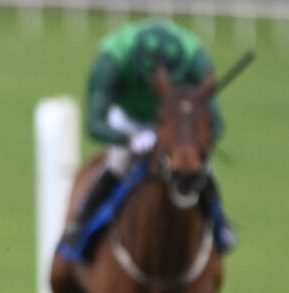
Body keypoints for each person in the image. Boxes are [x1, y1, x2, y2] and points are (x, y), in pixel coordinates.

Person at [59, 18, 237, 258]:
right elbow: (94, 125)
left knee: (200, 169)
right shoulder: (111, 58)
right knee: (117, 163)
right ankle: (80, 225)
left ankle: (220, 226)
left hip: (179, 123)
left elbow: (216, 123)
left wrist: (195, 145)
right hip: (128, 119)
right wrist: (129, 140)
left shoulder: (195, 56)